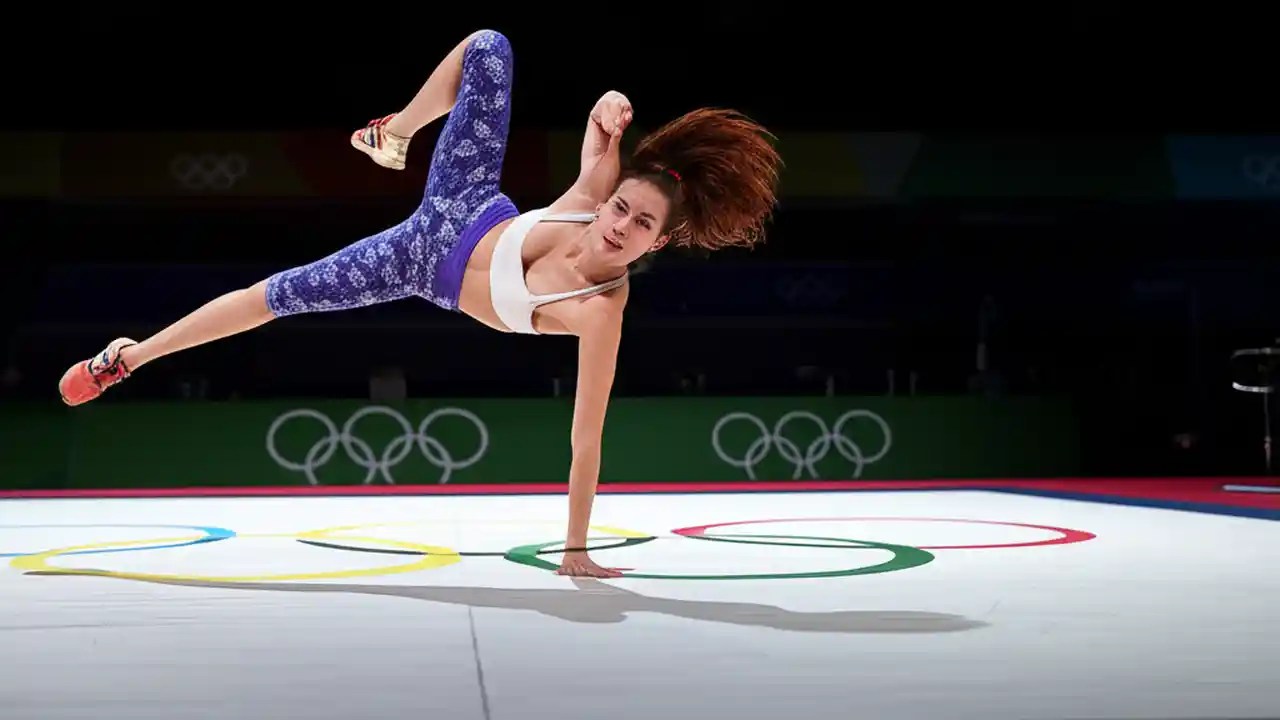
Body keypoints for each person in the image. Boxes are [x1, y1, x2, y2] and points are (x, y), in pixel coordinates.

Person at [56, 29, 782, 578]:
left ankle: (137, 350)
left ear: (655, 244)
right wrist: (607, 109)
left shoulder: (600, 309)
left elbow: (585, 439)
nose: (620, 226)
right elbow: (600, 135)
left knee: (276, 299)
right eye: (622, 208)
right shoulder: (596, 197)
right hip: (462, 202)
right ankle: (133, 352)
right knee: (490, 47)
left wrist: (575, 549)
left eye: (640, 226)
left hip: (415, 265)